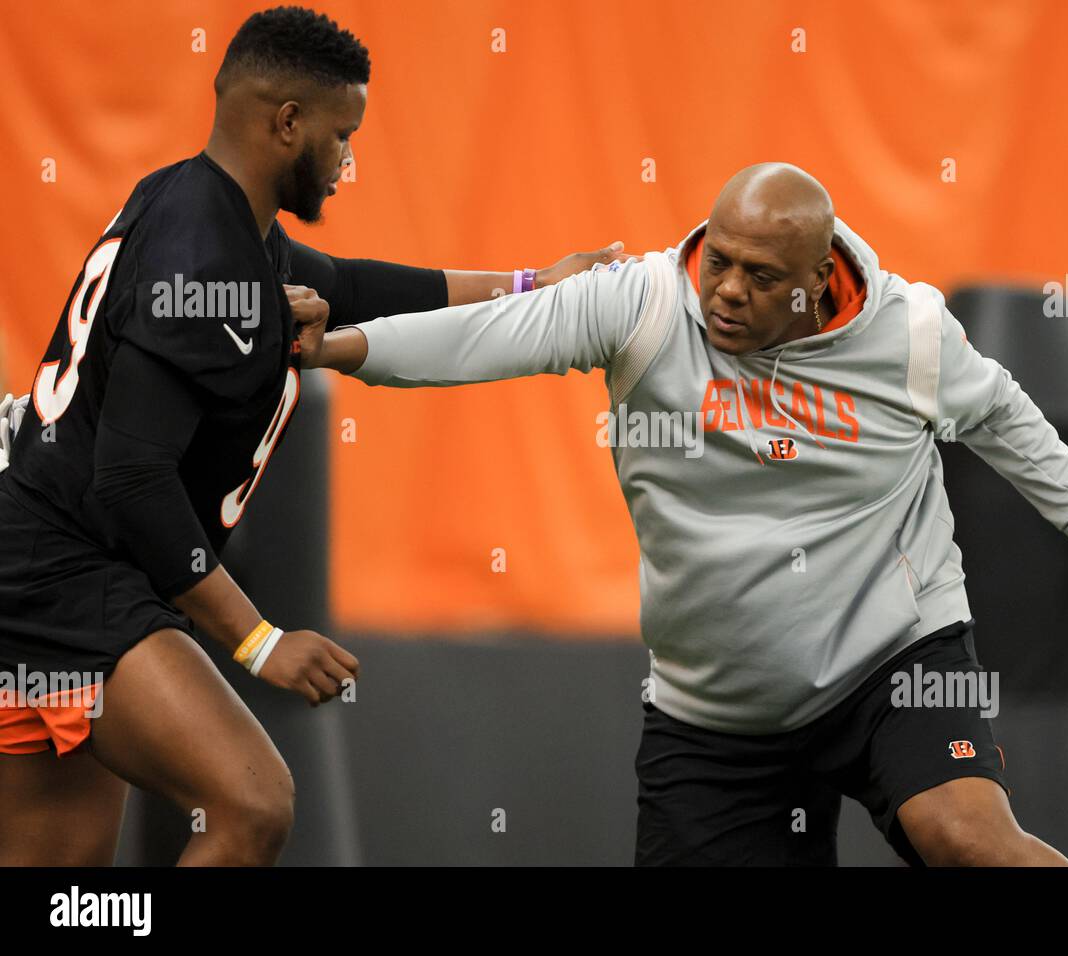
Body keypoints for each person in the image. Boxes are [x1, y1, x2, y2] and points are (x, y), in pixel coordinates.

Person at [300, 162, 1068, 866]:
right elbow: (486, 333)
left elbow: (1004, 414)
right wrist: (338, 346)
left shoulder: (908, 334)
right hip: (717, 709)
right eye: (719, 261)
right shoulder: (643, 305)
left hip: (894, 658)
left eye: (760, 276)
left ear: (815, 278)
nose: (725, 291)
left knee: (968, 841)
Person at [0, 5, 619, 866]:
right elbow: (131, 480)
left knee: (64, 884)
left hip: (43, 564)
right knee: (250, 802)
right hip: (73, 577)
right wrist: (259, 641)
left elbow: (353, 283)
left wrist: (531, 284)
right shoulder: (204, 259)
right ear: (287, 122)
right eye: (342, 136)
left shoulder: (200, 204)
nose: (348, 162)